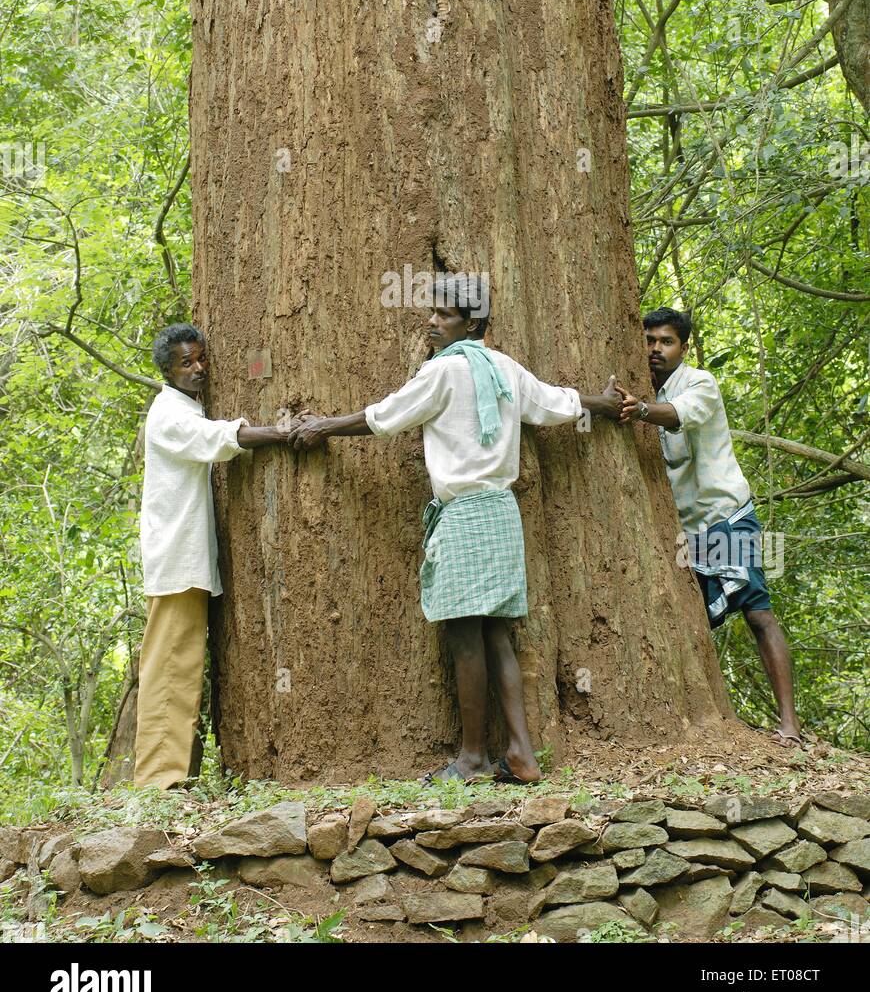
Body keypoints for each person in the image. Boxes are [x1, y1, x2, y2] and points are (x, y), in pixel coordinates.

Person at [290, 276, 623, 782]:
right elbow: (559, 404)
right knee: (496, 634)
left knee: (465, 635)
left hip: (465, 513)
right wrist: (601, 403)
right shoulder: (505, 369)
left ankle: (472, 758)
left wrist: (323, 426)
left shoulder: (442, 371)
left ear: (472, 324)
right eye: (433, 312)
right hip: (501, 512)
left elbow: (384, 417)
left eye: (443, 315)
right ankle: (521, 754)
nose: (431, 321)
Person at [615, 306, 801, 746]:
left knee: (758, 614)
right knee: (689, 618)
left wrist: (639, 409)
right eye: (650, 341)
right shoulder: (641, 384)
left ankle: (790, 725)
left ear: (683, 347)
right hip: (684, 532)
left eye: (666, 342)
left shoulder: (699, 383)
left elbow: (677, 415)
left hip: (725, 516)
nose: (655, 349)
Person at [134, 323, 303, 789]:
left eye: (200, 358)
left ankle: (172, 776)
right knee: (171, 666)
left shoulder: (186, 406)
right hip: (176, 563)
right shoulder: (170, 413)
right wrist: (278, 432)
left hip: (189, 560)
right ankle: (157, 782)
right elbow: (217, 439)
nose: (198, 368)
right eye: (185, 363)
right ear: (166, 371)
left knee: (183, 667)